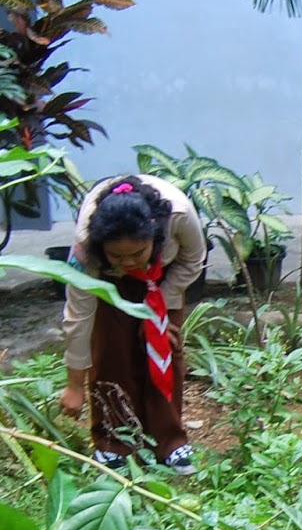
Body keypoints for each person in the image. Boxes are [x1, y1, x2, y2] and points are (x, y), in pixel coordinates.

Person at [60, 174, 207, 473]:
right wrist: (74, 384)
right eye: (117, 255)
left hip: (163, 280)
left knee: (163, 350)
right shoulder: (86, 246)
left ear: (154, 236)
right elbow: (79, 314)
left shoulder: (178, 216)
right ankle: (113, 442)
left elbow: (194, 259)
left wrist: (156, 312)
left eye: (137, 253)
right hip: (108, 285)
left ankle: (171, 442)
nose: (128, 263)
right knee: (111, 355)